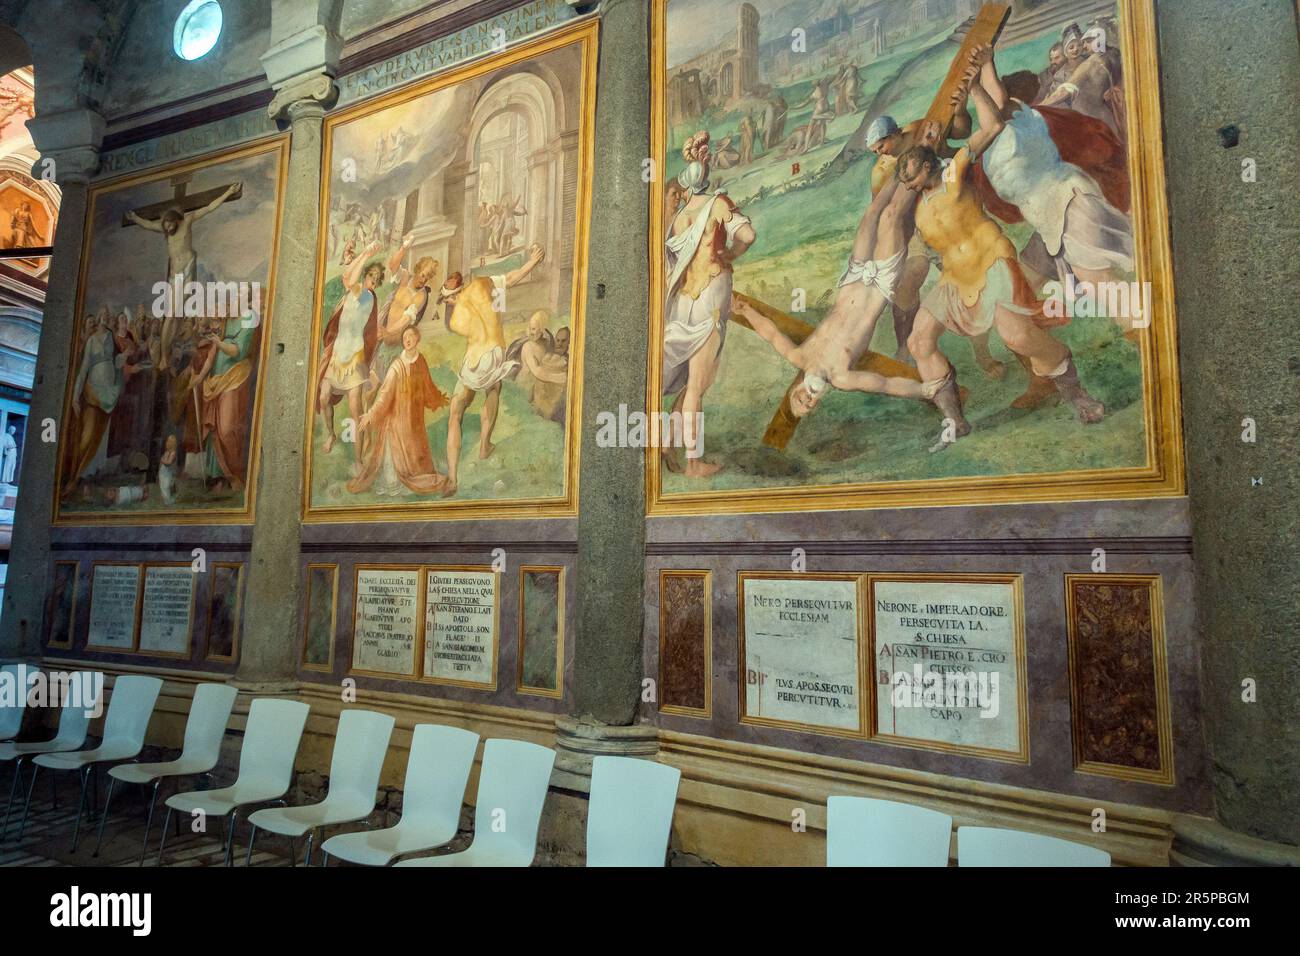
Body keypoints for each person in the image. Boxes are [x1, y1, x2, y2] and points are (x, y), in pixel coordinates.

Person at [894, 142, 1106, 448]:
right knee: (919, 341)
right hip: (954, 278)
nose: (908, 186)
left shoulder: (954, 175)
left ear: (927, 167)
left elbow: (989, 129)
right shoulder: (916, 200)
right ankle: (955, 422)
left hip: (990, 263)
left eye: (911, 178)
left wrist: (975, 90)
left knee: (1019, 338)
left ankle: (1076, 394)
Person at [663, 132, 755, 476]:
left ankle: (666, 446)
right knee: (698, 384)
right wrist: (730, 253)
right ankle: (692, 462)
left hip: (684, 301)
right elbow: (748, 235)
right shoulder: (718, 203)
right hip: (711, 296)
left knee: (691, 382)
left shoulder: (678, 217)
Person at [436, 241, 547, 497]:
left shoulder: (455, 316)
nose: (448, 303)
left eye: (447, 299)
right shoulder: (483, 283)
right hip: (496, 352)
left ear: (451, 296)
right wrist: (532, 262)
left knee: (456, 410)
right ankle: (485, 444)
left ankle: (452, 478)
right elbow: (511, 278)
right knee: (493, 389)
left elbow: (464, 328)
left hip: (475, 359)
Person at [349, 325, 448, 496]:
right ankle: (394, 482)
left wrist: (437, 398)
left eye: (410, 337)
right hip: (396, 419)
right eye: (404, 338)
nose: (407, 340)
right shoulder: (396, 366)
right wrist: (371, 414)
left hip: (415, 417)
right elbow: (384, 395)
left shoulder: (421, 361)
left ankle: (415, 475)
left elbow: (427, 385)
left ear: (417, 339)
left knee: (416, 447)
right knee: (395, 455)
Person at [316, 240, 383, 460]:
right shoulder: (354, 293)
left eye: (376, 280)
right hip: (338, 355)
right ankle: (331, 434)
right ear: (366, 276)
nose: (373, 282)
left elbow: (348, 278)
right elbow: (348, 274)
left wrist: (364, 254)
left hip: (354, 356)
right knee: (324, 396)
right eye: (371, 277)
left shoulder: (366, 296)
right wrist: (353, 256)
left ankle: (358, 460)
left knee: (356, 410)